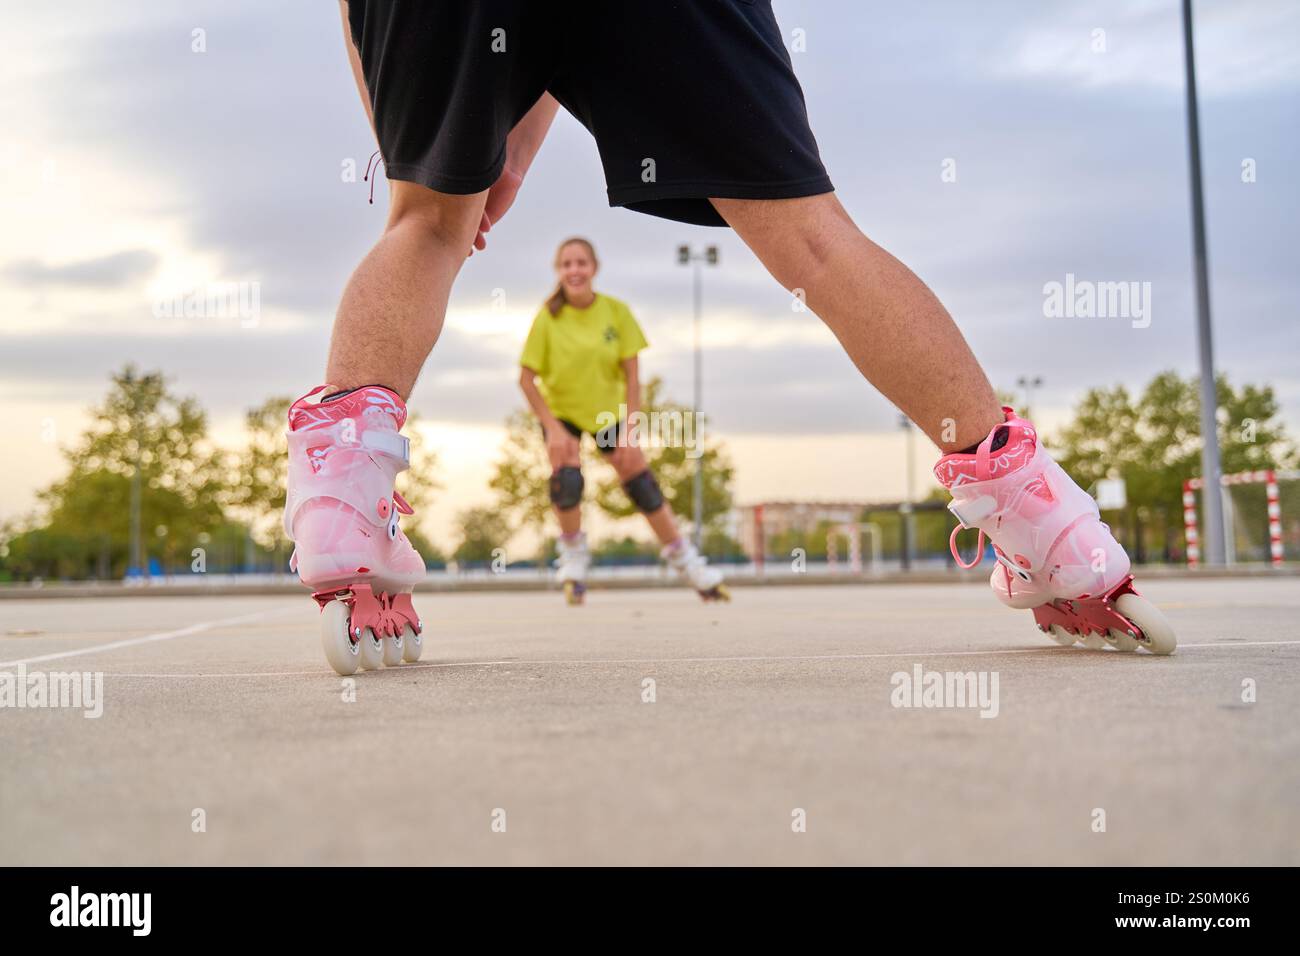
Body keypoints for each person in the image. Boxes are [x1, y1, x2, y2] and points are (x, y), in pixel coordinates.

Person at [284, 0, 1175, 676]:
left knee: (427, 228)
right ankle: (1053, 530)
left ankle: (342, 518)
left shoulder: (602, 320)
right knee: (815, 242)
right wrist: (516, 137)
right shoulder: (553, 326)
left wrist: (431, 156)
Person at [518, 237, 726, 604]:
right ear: (559, 271)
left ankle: (687, 561)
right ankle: (573, 558)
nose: (574, 270)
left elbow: (633, 378)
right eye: (566, 264)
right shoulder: (548, 317)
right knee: (566, 475)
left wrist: (630, 430)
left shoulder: (616, 312)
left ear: (594, 268)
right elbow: (525, 379)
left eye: (581, 263)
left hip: (606, 410)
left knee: (639, 479)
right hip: (562, 411)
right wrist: (552, 429)